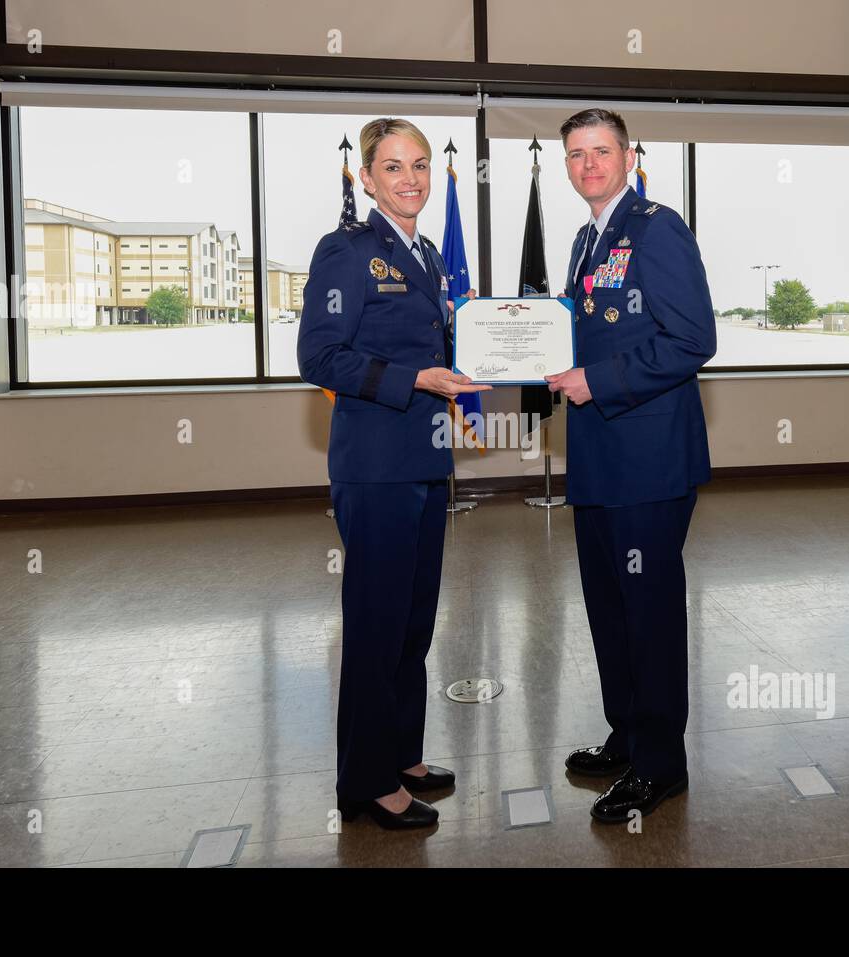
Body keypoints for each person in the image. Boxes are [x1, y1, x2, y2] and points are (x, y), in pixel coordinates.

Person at [297, 117, 489, 829]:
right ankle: (366, 782)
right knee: (377, 626)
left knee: (412, 624)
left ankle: (403, 754)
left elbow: (451, 346)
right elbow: (319, 358)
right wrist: (414, 379)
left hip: (425, 463)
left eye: (420, 167)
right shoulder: (347, 251)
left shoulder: (431, 255)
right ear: (368, 178)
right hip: (376, 469)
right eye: (393, 167)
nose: (409, 179)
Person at [545, 108, 717, 823]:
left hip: (646, 461)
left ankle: (661, 764)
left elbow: (693, 338)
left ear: (628, 155)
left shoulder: (656, 228)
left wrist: (599, 381)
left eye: (601, 151)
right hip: (597, 456)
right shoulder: (590, 239)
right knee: (608, 605)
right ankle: (628, 732)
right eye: (577, 154)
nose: (589, 164)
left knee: (646, 612)